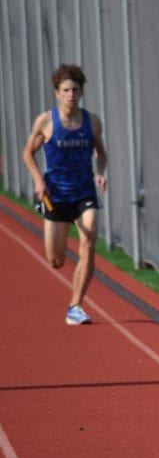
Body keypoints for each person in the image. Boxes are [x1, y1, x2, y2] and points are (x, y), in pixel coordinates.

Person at [21, 64, 108, 325]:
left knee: (89, 241)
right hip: (56, 195)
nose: (71, 94)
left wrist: (100, 172)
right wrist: (39, 181)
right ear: (57, 93)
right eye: (66, 90)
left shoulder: (92, 121)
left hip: (84, 192)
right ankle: (65, 267)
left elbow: (101, 153)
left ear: (81, 92)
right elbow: (28, 153)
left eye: (75, 90)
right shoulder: (46, 121)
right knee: (56, 261)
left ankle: (75, 306)